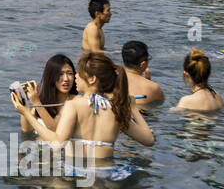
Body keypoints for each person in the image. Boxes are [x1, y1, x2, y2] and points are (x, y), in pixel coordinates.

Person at [12, 51, 155, 179]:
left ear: (91, 79)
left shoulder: (73, 105)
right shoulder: (117, 108)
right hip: (108, 172)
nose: (74, 77)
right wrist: (133, 109)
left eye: (77, 73)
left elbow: (57, 143)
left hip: (76, 172)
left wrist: (26, 112)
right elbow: (149, 140)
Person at [11, 54, 77, 133]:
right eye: (60, 74)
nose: (66, 79)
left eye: (70, 73)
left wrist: (36, 102)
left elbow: (58, 133)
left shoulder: (76, 102)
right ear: (51, 77)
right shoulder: (43, 101)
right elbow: (27, 129)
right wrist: (24, 104)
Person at [121, 40, 164, 105]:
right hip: (142, 113)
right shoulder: (154, 88)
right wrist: (148, 81)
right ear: (143, 64)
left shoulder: (109, 81)